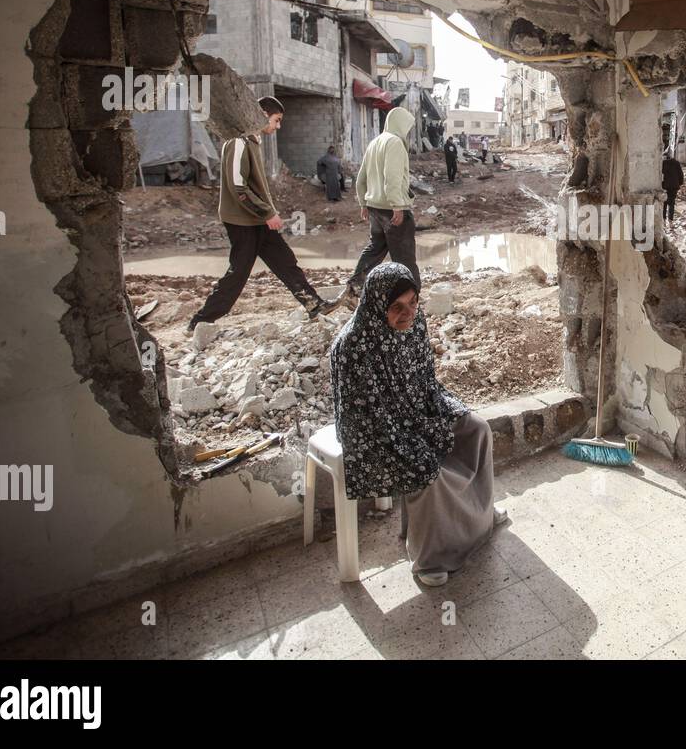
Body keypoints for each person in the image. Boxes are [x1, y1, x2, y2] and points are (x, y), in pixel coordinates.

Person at [329, 262, 508, 588]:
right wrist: (412, 436)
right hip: (371, 428)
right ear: (377, 305)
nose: (408, 313)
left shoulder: (415, 323)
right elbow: (367, 414)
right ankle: (431, 558)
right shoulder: (353, 347)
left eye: (413, 302)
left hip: (415, 408)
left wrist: (435, 415)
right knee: (423, 464)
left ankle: (480, 519)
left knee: (476, 428)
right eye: (397, 307)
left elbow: (427, 381)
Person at [188, 96, 336, 331]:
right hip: (243, 221)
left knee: (285, 262)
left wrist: (266, 214)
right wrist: (267, 213)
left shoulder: (252, 141)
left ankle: (314, 305)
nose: (278, 127)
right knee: (238, 273)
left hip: (256, 219)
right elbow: (238, 187)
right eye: (276, 120)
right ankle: (201, 320)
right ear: (262, 115)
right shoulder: (237, 142)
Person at [347, 105, 420, 299]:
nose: (408, 131)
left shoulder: (375, 142)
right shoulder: (395, 142)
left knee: (375, 249)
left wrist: (363, 203)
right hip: (392, 209)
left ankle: (355, 287)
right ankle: (411, 297)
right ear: (402, 125)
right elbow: (392, 177)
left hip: (375, 208)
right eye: (408, 127)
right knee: (404, 257)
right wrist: (397, 205)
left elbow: (361, 178)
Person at [661, 150, 684, 228]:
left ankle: (663, 221)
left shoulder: (662, 164)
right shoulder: (676, 163)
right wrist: (679, 183)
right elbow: (681, 175)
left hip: (664, 186)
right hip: (674, 186)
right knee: (671, 203)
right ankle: (670, 222)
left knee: (664, 203)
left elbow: (659, 176)